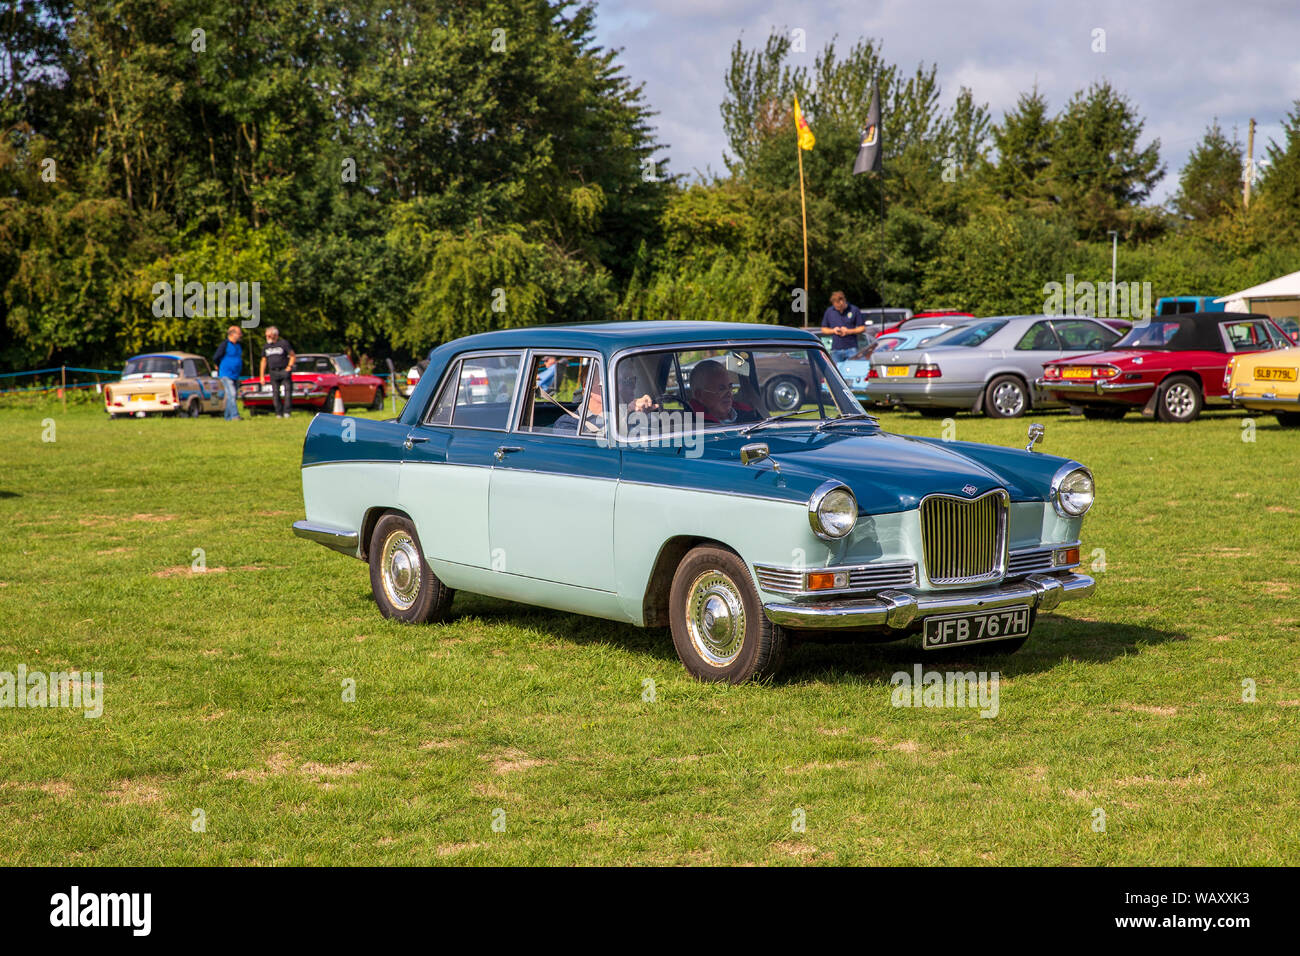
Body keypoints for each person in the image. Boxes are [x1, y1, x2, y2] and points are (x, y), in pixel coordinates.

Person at [688, 360, 760, 425]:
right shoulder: (691, 425)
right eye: (721, 389)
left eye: (730, 387)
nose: (729, 394)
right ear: (700, 395)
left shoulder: (747, 415)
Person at [259, 326, 296, 418]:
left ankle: (287, 412)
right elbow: (263, 361)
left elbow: (292, 355)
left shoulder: (283, 343)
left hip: (284, 370)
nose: (267, 338)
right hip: (273, 372)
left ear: (274, 335)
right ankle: (278, 413)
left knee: (287, 392)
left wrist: (289, 367)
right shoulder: (266, 346)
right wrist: (262, 376)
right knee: (275, 393)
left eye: (268, 336)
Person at [821, 291, 867, 363]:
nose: (838, 308)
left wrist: (848, 331)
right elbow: (823, 329)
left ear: (843, 301)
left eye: (839, 306)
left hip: (851, 348)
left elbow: (862, 328)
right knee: (836, 372)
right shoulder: (829, 311)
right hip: (836, 349)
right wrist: (834, 331)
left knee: (852, 371)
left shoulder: (854, 310)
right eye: (836, 307)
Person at [211, 325, 244, 421]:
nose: (240, 335)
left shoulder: (238, 345)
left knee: (231, 396)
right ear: (232, 334)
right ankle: (235, 416)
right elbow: (216, 357)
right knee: (232, 394)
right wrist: (218, 365)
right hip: (226, 374)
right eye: (239, 333)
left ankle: (227, 417)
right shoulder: (225, 344)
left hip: (236, 374)